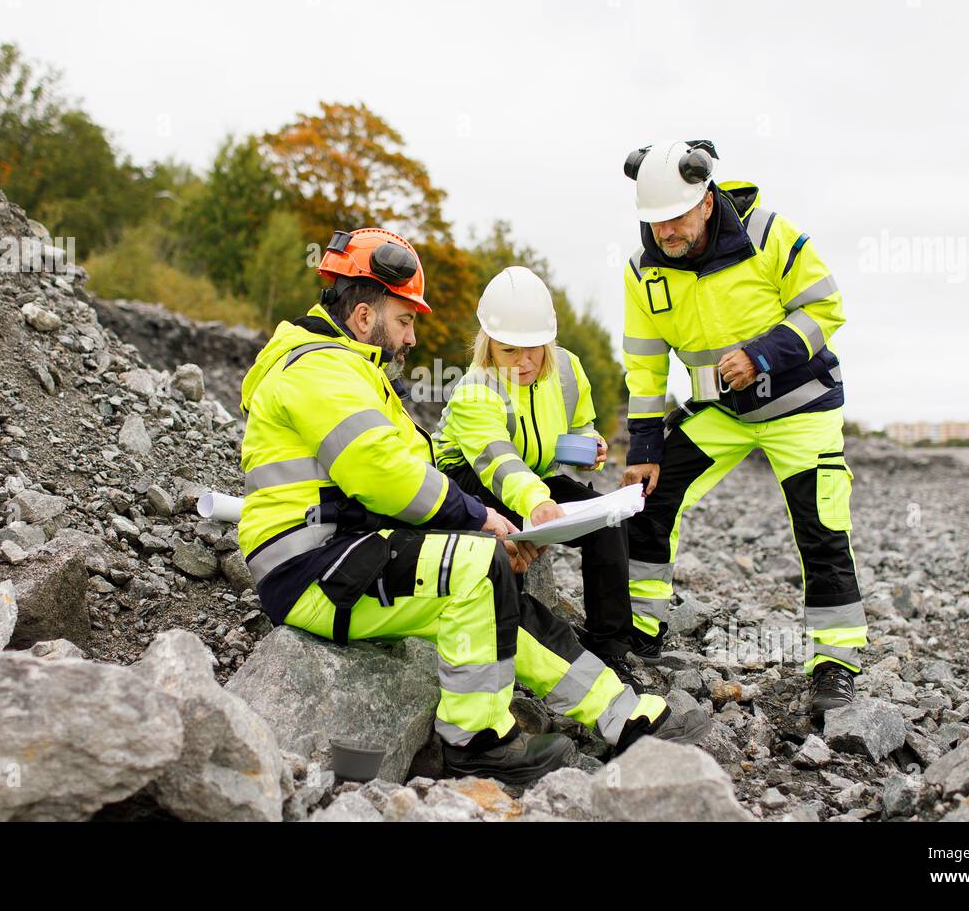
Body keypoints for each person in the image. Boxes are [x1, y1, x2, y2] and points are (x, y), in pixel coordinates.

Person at [237, 228, 707, 786]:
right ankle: (478, 742)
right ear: (364, 318)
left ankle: (619, 716)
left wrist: (484, 534)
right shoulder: (319, 370)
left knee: (493, 585)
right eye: (405, 320)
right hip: (312, 568)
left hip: (347, 555)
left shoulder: (355, 372)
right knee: (481, 571)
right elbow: (386, 475)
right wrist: (481, 519)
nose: (412, 337)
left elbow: (405, 474)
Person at [618, 140, 867, 721]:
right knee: (649, 499)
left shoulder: (768, 235)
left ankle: (836, 663)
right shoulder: (642, 271)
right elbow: (646, 368)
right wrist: (645, 448)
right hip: (722, 415)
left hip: (801, 407)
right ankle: (639, 625)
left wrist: (761, 354)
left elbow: (825, 308)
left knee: (821, 529)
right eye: (653, 222)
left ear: (706, 200)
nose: (665, 234)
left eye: (676, 218)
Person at [433, 266, 644, 683]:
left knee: (608, 522)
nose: (525, 361)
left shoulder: (567, 368)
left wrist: (589, 447)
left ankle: (611, 646)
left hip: (535, 475)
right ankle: (516, 647)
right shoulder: (475, 389)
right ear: (488, 344)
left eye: (534, 349)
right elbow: (498, 460)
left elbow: (580, 423)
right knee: (510, 528)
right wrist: (538, 503)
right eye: (510, 351)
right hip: (469, 478)